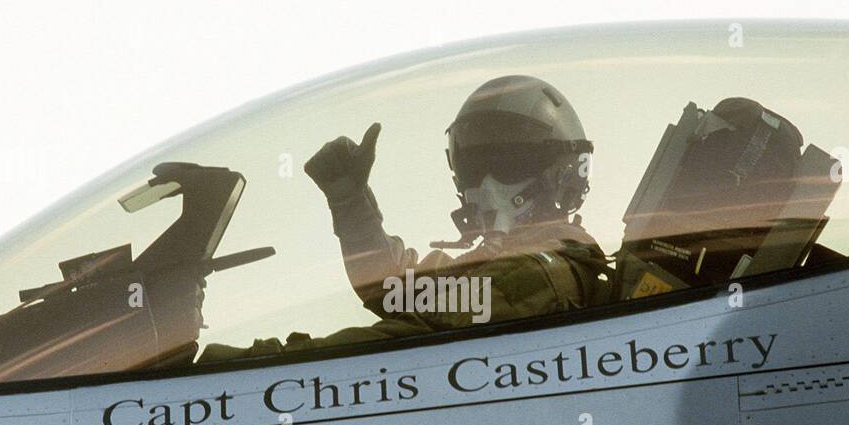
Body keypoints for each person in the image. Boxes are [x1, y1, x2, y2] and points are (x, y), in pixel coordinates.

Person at [200, 75, 609, 361]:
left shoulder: (549, 273)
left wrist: (221, 368)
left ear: (560, 173)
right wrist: (351, 203)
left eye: (506, 163)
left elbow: (388, 341)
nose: (486, 186)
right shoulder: (493, 274)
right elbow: (395, 291)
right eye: (474, 166)